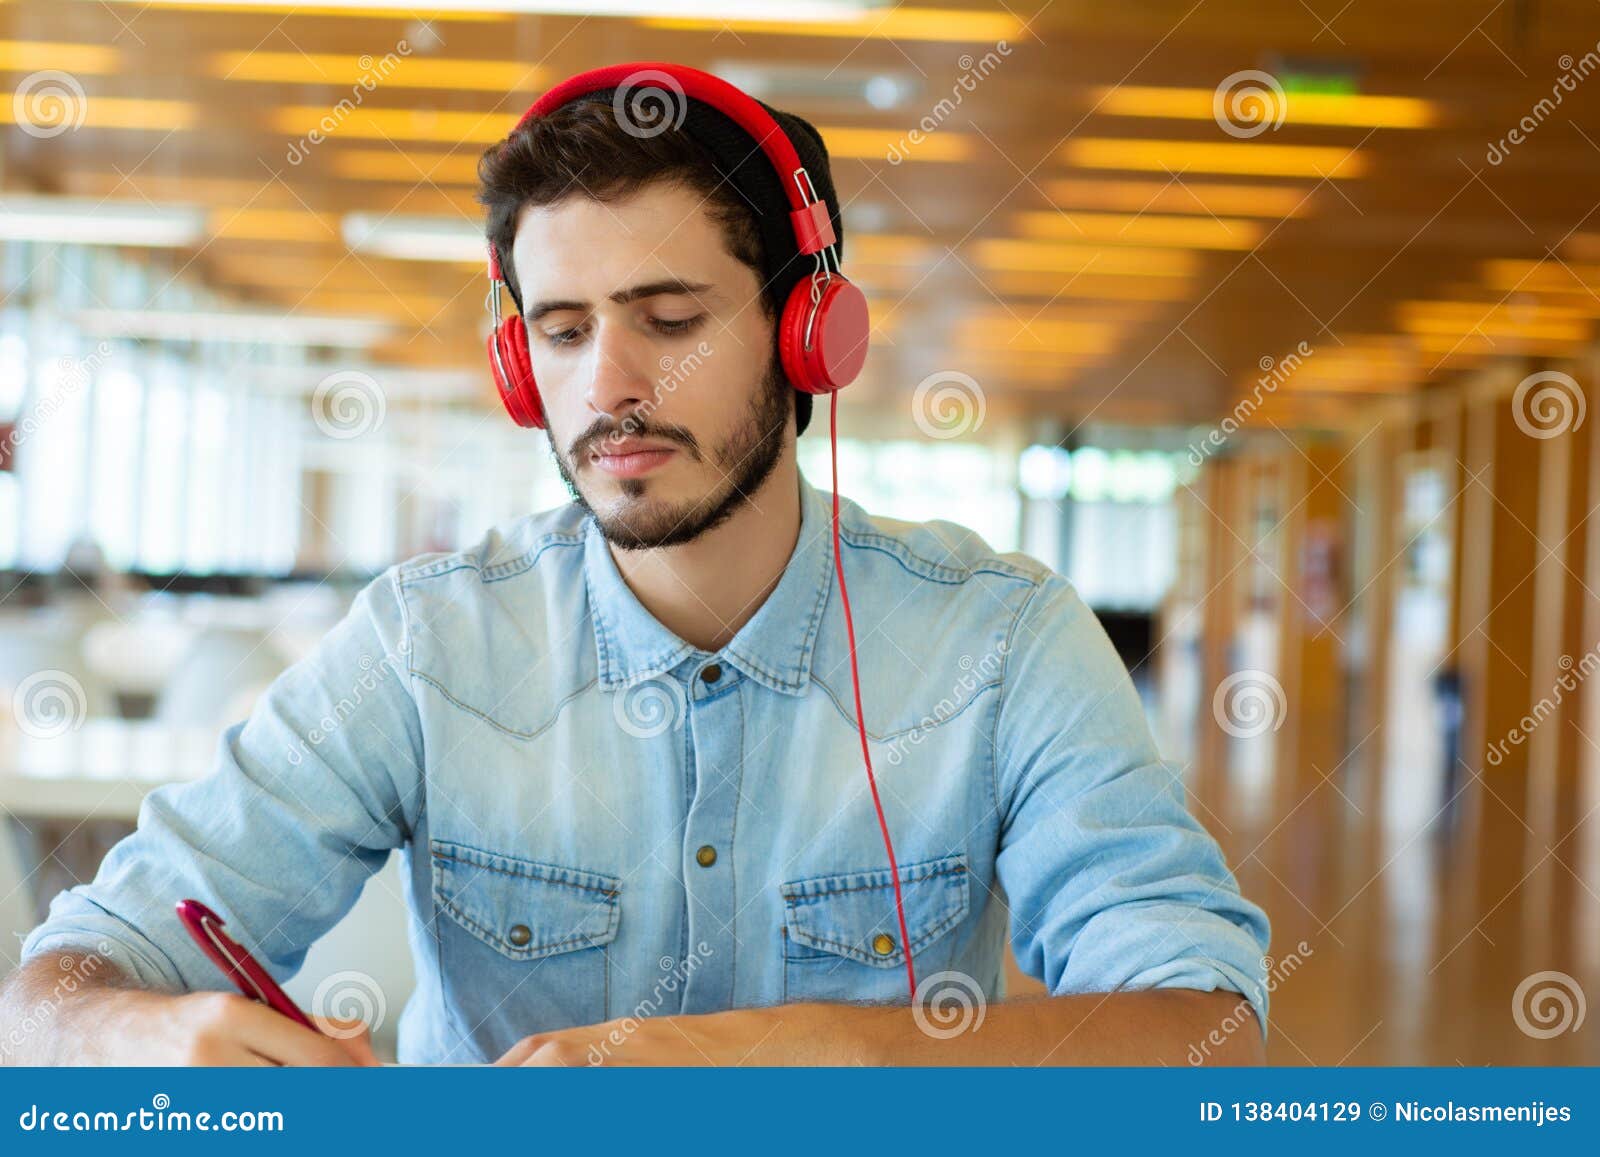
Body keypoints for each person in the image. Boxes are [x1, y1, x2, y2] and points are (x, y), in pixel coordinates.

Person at [0, 63, 1269, 1066]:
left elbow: (1203, 1030)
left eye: (670, 321)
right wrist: (145, 1028)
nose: (609, 384)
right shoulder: (426, 644)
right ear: (518, 366)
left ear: (808, 330)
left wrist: (800, 1056)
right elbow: (60, 982)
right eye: (560, 331)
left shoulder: (1000, 640)